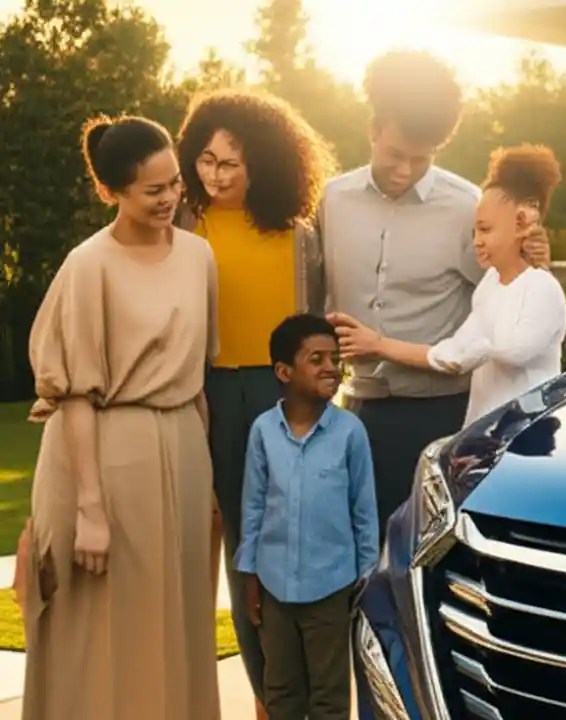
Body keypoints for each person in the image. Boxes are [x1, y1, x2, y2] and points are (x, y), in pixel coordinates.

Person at [21, 115, 219, 719]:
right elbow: (75, 392)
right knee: (101, 626)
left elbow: (202, 368)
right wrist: (90, 510)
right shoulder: (88, 265)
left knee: (178, 620)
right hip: (102, 455)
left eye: (174, 184)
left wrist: (207, 476)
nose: (169, 199)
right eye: (152, 190)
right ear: (111, 192)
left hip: (183, 446)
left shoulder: (198, 255)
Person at [319, 50, 551, 537]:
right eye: (394, 155)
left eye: (420, 159)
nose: (405, 170)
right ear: (373, 130)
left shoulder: (466, 208)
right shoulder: (332, 201)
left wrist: (534, 261)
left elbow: (509, 291)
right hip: (355, 409)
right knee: (360, 550)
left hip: (442, 415)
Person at [175, 88, 333, 717]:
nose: (215, 175)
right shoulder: (184, 224)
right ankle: (268, 697)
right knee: (245, 549)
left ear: (262, 163)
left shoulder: (300, 236)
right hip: (212, 393)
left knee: (292, 548)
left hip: (283, 394)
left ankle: (304, 692)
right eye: (206, 160)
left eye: (230, 164)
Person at [333, 144, 566, 427]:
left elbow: (513, 351)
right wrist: (378, 345)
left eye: (485, 229)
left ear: (522, 224)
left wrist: (468, 350)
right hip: (483, 437)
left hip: (528, 436)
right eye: (475, 231)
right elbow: (449, 354)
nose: (477, 241)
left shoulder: (542, 288)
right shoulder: (490, 286)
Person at [235, 314, 378, 720]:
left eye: (335, 358)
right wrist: (249, 575)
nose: (331, 368)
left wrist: (364, 581)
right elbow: (254, 506)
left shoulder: (350, 432)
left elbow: (364, 513)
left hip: (331, 589)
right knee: (281, 692)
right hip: (274, 588)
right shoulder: (263, 431)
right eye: (316, 359)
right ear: (284, 371)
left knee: (330, 696)